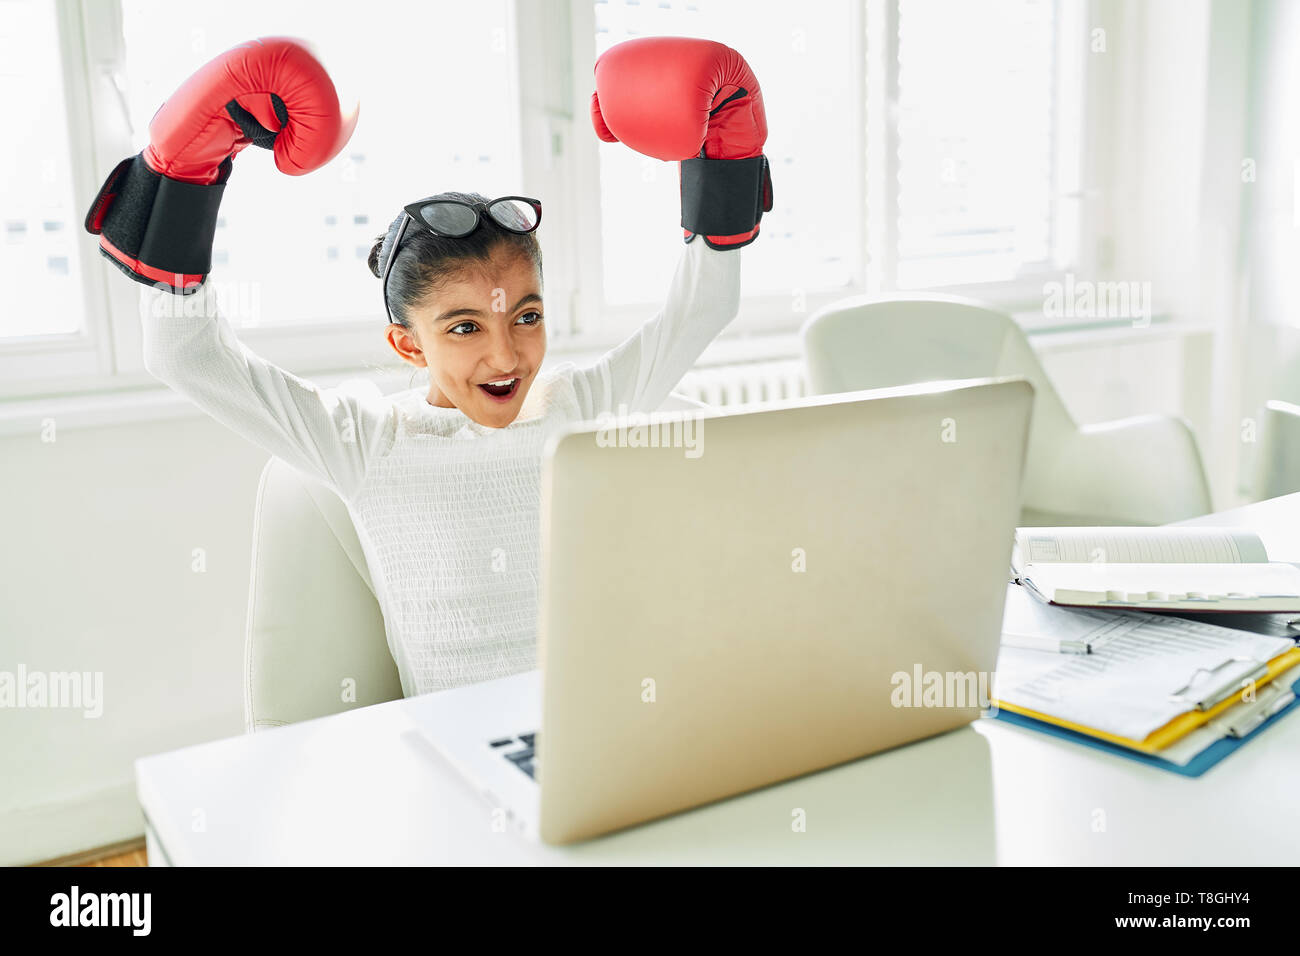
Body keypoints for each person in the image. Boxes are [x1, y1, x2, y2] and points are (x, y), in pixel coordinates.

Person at [85, 34, 771, 698]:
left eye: (526, 317)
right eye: (465, 327)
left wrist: (727, 159)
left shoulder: (582, 405)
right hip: (465, 754)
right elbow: (184, 352)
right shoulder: (364, 441)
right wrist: (178, 178)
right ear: (409, 346)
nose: (506, 356)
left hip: (606, 730)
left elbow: (703, 307)